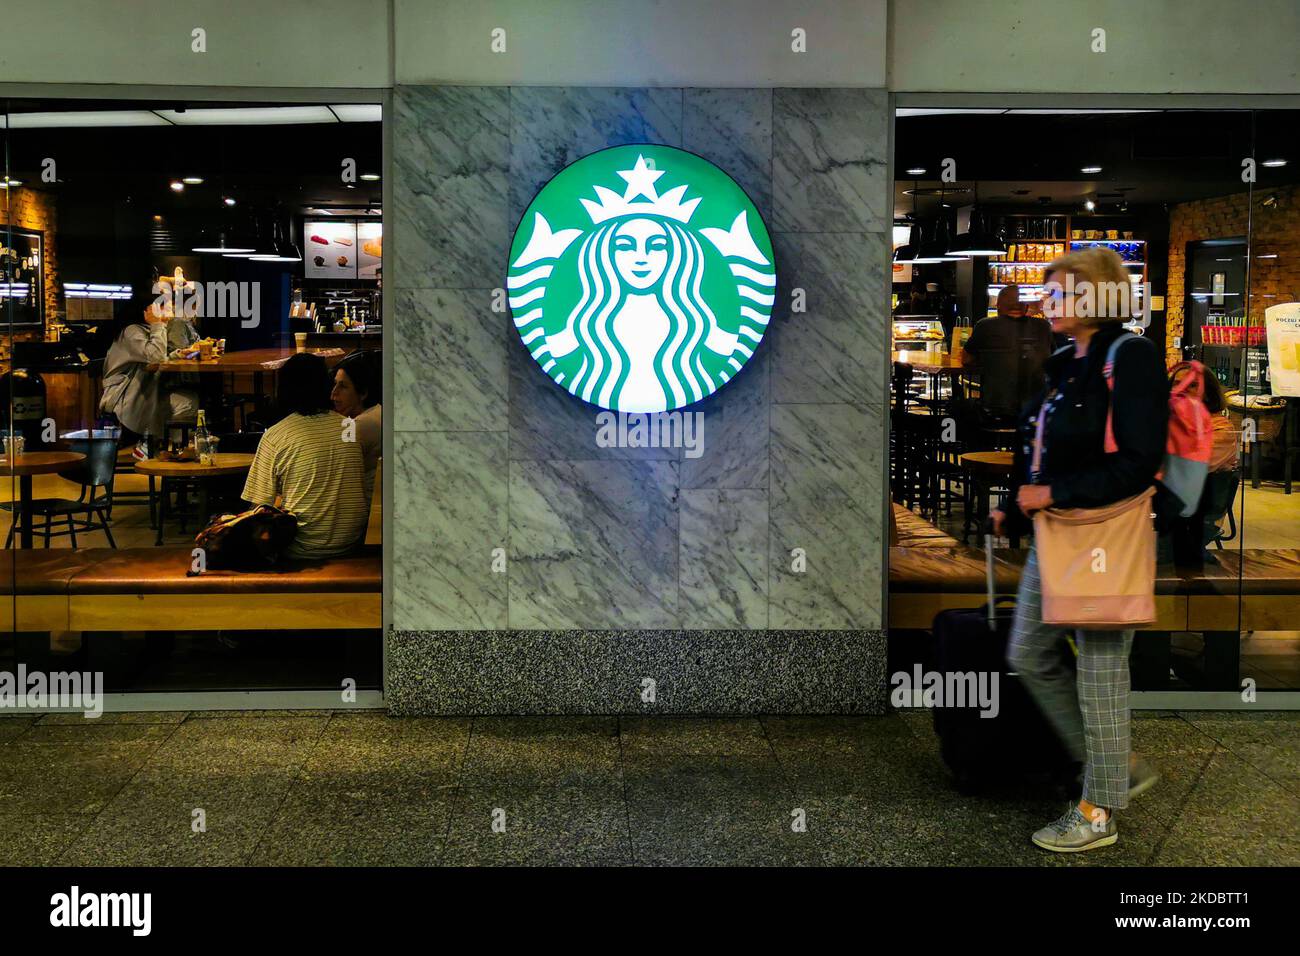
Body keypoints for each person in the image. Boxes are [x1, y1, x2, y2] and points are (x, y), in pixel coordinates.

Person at [992, 246, 1168, 853]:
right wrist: (1018, 502)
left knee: (1099, 672)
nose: (1048, 302)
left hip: (1103, 534)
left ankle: (1098, 810)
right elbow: (1042, 440)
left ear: (1097, 297)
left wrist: (1049, 492)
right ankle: (1114, 769)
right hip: (1057, 530)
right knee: (1028, 650)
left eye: (1061, 293)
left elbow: (1140, 463)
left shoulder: (1131, 356)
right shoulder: (1067, 358)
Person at [242, 353, 368, 559]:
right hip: (351, 541)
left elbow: (259, 507)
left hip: (301, 548)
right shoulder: (348, 427)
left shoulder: (276, 435)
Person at [98, 282, 198, 458]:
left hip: (141, 395)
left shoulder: (145, 330)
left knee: (187, 401)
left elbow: (156, 358)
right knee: (185, 403)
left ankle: (162, 445)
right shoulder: (131, 332)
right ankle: (152, 442)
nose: (169, 311)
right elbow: (155, 357)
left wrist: (179, 354)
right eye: (163, 306)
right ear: (148, 310)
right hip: (124, 399)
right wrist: (158, 325)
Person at [962, 284, 1055, 424]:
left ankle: (984, 444)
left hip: (996, 407)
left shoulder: (985, 326)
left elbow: (967, 359)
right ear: (1026, 307)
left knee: (963, 409)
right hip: (1036, 409)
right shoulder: (1044, 326)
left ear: (998, 305)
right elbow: (1053, 359)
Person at [330, 350, 382, 504]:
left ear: (363, 393)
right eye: (334, 385)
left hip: (366, 512)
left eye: (343, 386)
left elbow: (332, 469)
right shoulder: (378, 411)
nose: (333, 394)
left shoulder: (358, 426)